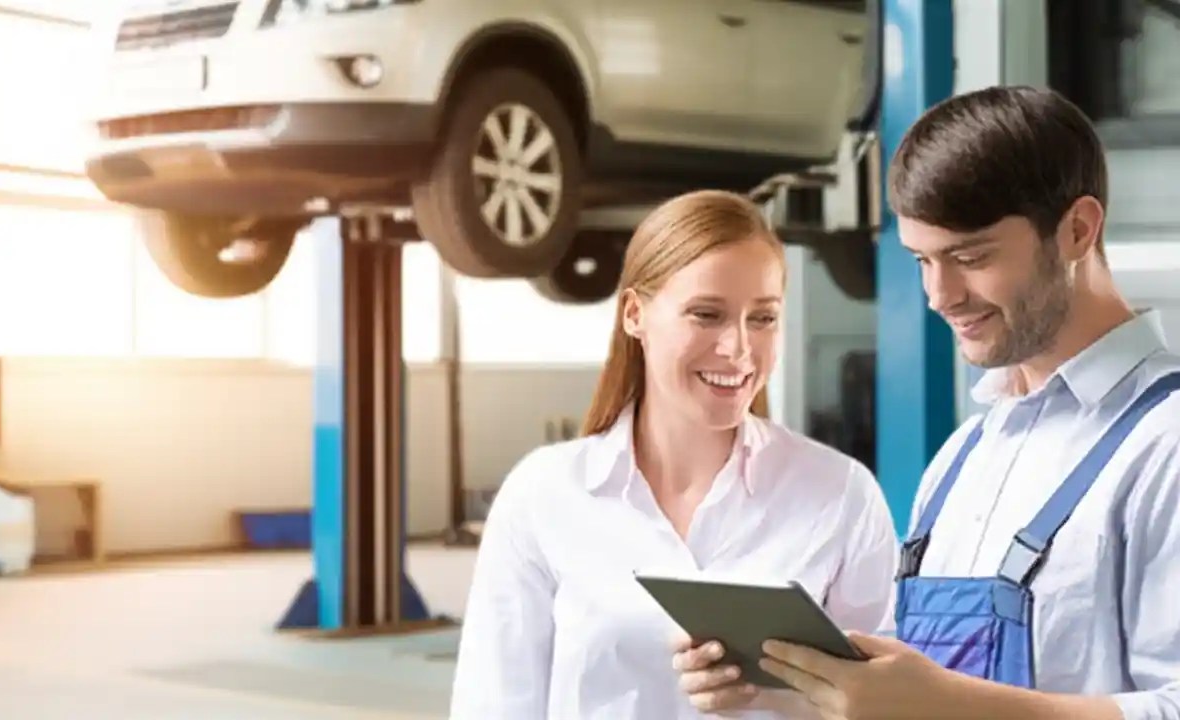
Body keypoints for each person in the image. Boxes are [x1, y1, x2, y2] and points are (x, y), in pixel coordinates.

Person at [675, 86, 1180, 719]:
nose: (940, 295)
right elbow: (915, 695)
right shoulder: (964, 458)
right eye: (922, 260)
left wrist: (955, 707)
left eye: (970, 257)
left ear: (1077, 230)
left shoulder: (1166, 446)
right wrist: (786, 683)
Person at [448, 189, 900, 719]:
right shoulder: (545, 495)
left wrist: (774, 690)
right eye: (706, 315)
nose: (738, 349)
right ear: (635, 314)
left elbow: (886, 707)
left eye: (763, 318)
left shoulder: (840, 494)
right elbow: (494, 705)